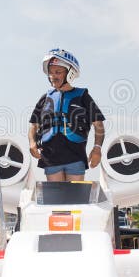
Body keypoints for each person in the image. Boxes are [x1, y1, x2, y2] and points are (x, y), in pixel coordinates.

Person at [29, 48, 105, 181]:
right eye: (50, 72)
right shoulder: (45, 98)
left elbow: (98, 124)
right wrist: (32, 143)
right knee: (56, 194)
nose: (53, 76)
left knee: (75, 194)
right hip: (50, 158)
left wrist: (97, 148)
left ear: (70, 73)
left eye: (58, 72)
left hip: (75, 157)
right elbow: (33, 125)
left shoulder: (83, 96)